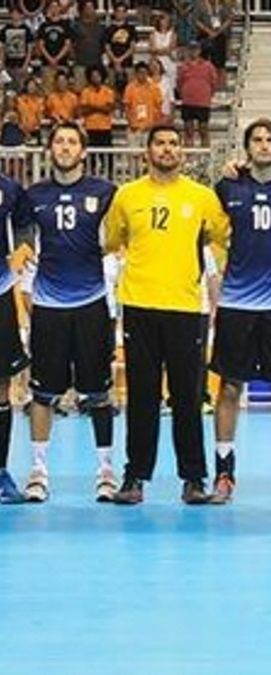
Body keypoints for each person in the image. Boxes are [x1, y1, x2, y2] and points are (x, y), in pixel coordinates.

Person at [103, 124, 229, 505]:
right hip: (140, 305)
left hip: (186, 308)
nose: (168, 149)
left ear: (183, 153)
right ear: (148, 151)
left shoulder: (203, 198)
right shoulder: (126, 196)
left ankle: (193, 479)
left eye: (174, 143)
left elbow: (220, 240)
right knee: (141, 397)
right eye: (160, 143)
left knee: (187, 398)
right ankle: (135, 477)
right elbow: (113, 240)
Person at [15, 123, 117, 503]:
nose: (65, 146)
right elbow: (24, 244)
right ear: (49, 149)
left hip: (92, 305)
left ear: (84, 151)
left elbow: (118, 239)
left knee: (98, 392)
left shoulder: (105, 193)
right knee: (41, 393)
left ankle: (105, 470)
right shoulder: (33, 196)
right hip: (48, 306)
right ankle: (39, 470)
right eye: (59, 140)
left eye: (72, 141)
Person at [207, 120, 271, 505]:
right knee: (230, 387)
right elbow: (210, 234)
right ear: (247, 147)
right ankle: (224, 474)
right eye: (257, 140)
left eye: (270, 140)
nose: (264, 145)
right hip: (236, 302)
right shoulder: (228, 186)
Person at [0, 141, 28, 503]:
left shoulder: (8, 189)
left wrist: (20, 255)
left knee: (2, 384)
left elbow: (24, 228)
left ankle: (1, 471)